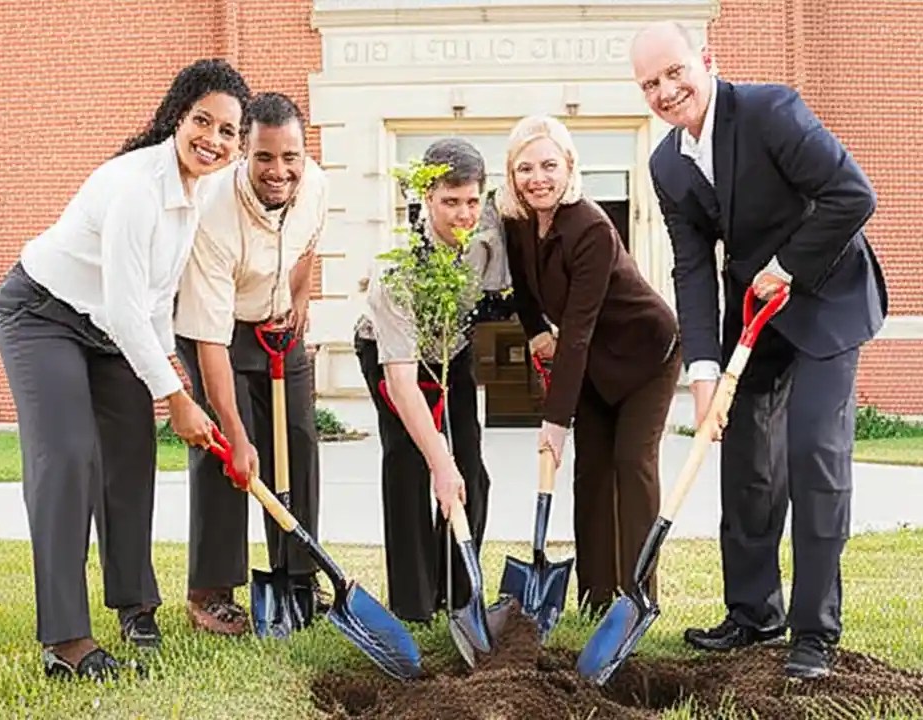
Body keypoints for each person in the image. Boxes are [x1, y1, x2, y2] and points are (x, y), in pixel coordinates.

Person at [631, 22, 889, 679]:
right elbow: (691, 269)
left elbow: (853, 195)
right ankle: (753, 613)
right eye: (650, 84)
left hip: (828, 297)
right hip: (755, 318)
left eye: (674, 73)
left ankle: (813, 633)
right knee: (745, 461)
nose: (666, 91)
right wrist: (703, 373)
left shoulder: (771, 111)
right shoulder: (666, 163)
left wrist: (787, 266)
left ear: (706, 60)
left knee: (812, 455)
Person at [0, 59, 251, 681]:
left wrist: (169, 376)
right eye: (202, 122)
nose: (213, 139)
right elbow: (127, 306)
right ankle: (65, 639)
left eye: (228, 131)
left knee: (131, 453)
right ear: (177, 117)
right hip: (43, 314)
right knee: (70, 456)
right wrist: (176, 396)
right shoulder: (136, 187)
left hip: (111, 328)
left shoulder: (201, 187)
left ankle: (134, 603)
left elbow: (156, 299)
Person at [495, 115, 682, 618]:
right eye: (525, 168)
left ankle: (638, 599)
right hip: (595, 360)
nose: (538, 178)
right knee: (591, 476)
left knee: (630, 465)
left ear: (570, 166)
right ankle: (597, 600)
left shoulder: (592, 228)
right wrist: (535, 331)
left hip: (646, 355)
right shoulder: (516, 223)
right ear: (512, 174)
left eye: (549, 165)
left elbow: (575, 332)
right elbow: (521, 288)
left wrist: (554, 423)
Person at [172, 91, 328, 636]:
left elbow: (307, 243)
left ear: (304, 155)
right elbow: (211, 343)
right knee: (225, 451)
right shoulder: (215, 213)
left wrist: (301, 298)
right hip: (216, 329)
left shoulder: (316, 187)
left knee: (301, 442)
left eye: (290, 158)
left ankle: (299, 578)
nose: (278, 170)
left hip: (278, 323)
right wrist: (237, 436)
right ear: (244, 152)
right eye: (264, 157)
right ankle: (211, 592)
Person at [352, 138, 506, 624]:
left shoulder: (490, 231)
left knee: (471, 470)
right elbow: (400, 383)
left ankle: (461, 596)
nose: (463, 213)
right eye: (449, 201)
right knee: (412, 465)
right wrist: (439, 462)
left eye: (470, 200)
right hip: (394, 356)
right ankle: (414, 605)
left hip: (453, 349)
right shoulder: (397, 275)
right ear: (426, 199)